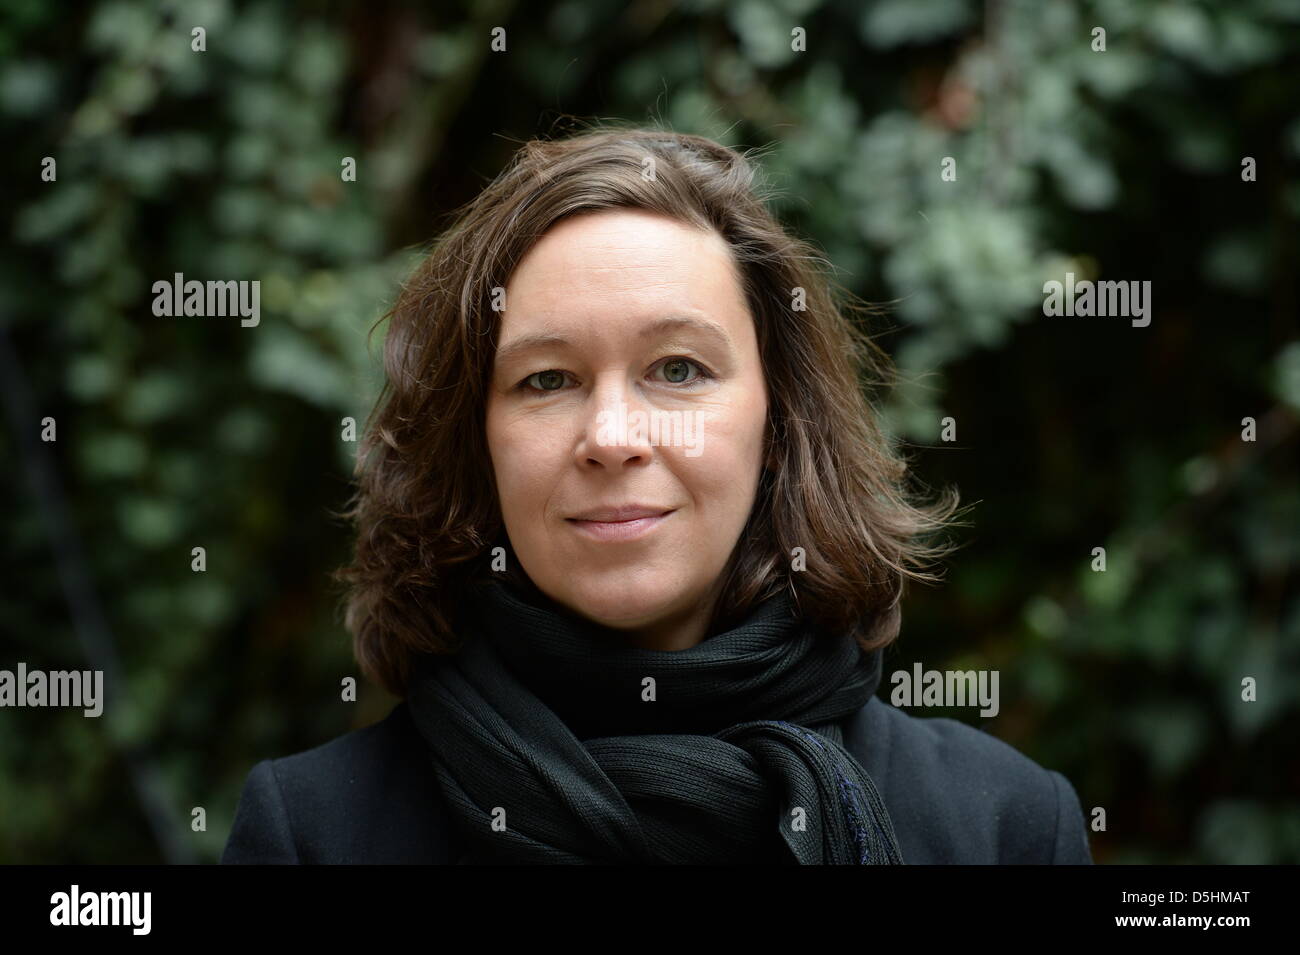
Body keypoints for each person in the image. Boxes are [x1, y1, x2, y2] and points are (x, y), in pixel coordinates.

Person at [222, 125, 1093, 865]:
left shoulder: (1002, 828)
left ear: (777, 420)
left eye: (678, 369)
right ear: (473, 440)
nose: (610, 436)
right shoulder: (316, 833)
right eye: (547, 378)